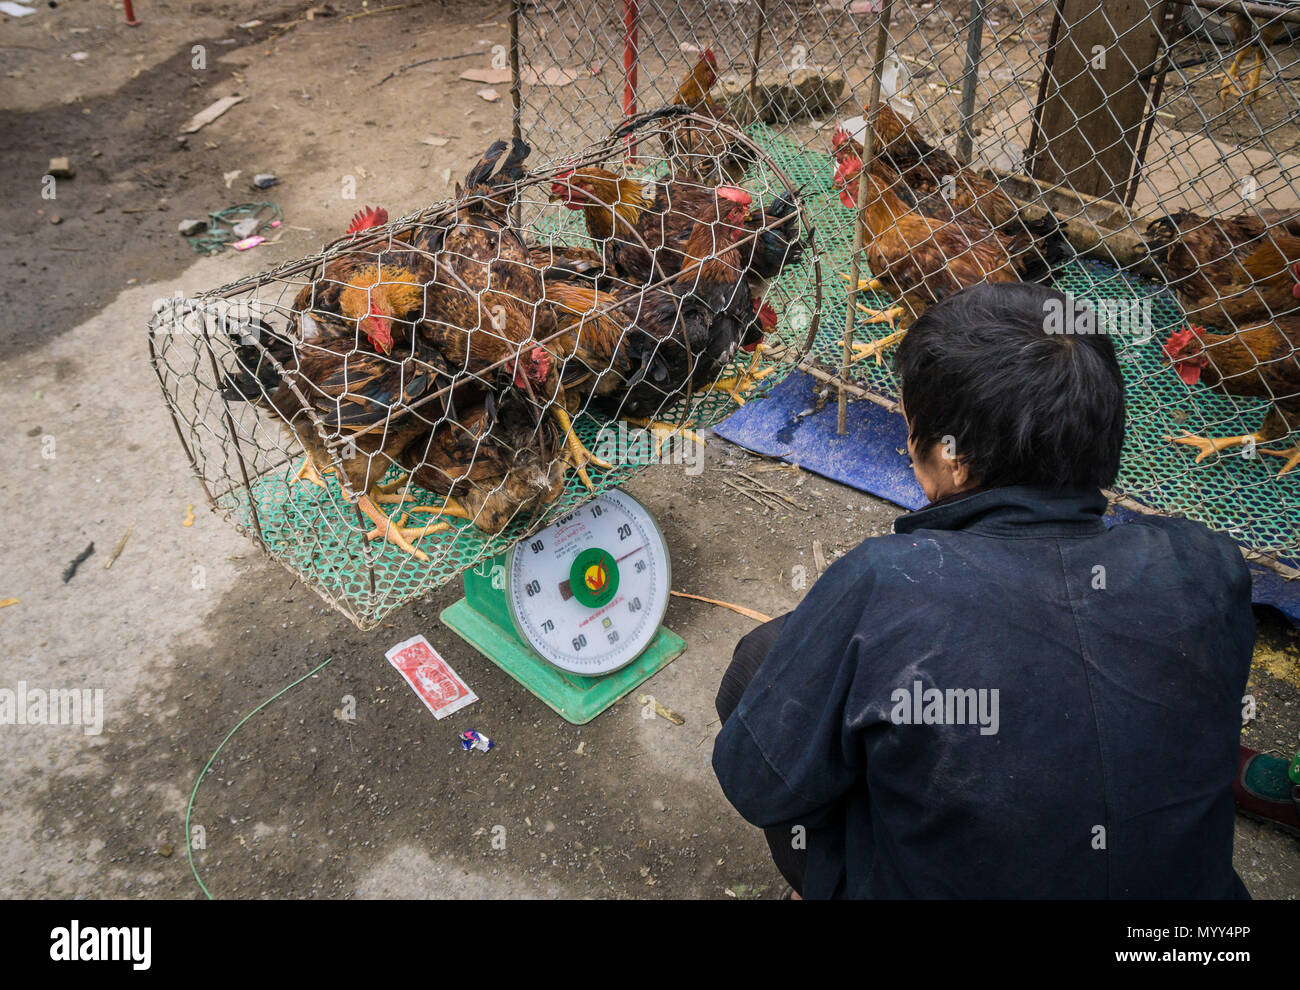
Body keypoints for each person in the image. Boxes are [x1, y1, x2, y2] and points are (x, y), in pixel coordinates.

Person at [712, 282, 1255, 899]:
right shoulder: (1207, 565)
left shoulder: (884, 584)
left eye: (911, 429)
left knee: (762, 662)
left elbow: (754, 783)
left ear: (954, 462)